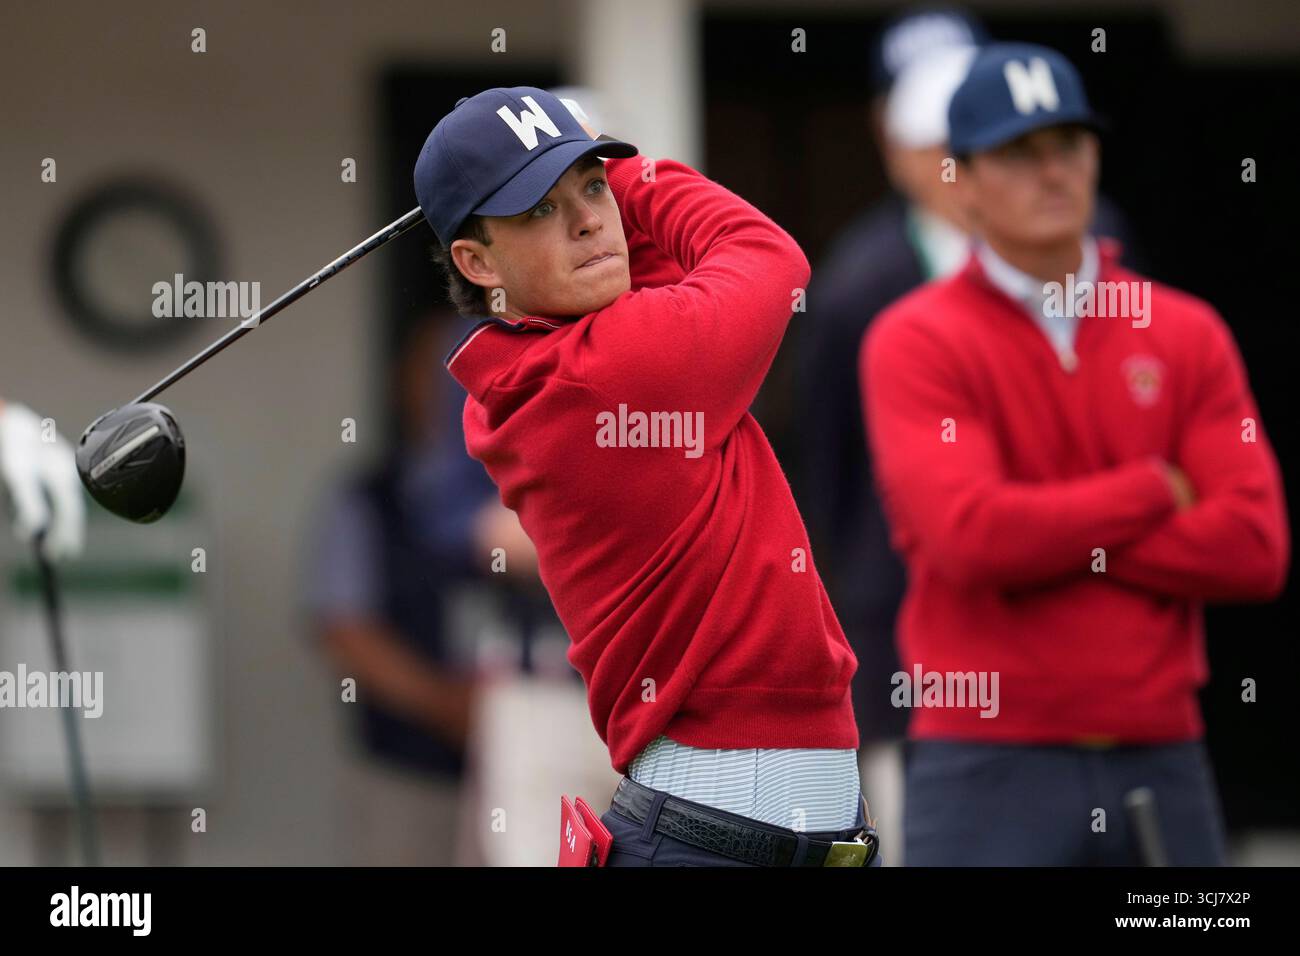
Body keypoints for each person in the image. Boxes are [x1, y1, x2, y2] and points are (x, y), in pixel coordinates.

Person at [412, 86, 879, 866]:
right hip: (716, 840)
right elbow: (767, 256)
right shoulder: (614, 368)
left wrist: (571, 170)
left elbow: (642, 269)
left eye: (593, 188)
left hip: (736, 832)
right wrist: (630, 175)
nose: (590, 219)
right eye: (537, 210)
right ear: (475, 259)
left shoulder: (553, 357)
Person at [859, 43, 1289, 865]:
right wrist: (1153, 490)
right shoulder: (914, 339)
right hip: (984, 761)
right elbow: (972, 535)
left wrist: (1050, 529)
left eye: (1069, 144)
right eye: (1019, 152)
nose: (1051, 172)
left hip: (1160, 754)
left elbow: (1255, 547)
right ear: (961, 177)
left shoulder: (1185, 331)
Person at [792, 11, 1146, 865]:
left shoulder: (1102, 246)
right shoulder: (858, 282)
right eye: (934, 140)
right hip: (912, 647)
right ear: (892, 144)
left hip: (1085, 636)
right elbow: (828, 477)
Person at [0, 398, 83, 562]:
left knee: (16, 465)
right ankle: (40, 521)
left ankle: (37, 517)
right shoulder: (16, 422)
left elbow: (19, 468)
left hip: (57, 463)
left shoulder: (15, 422)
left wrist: (33, 515)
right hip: (53, 463)